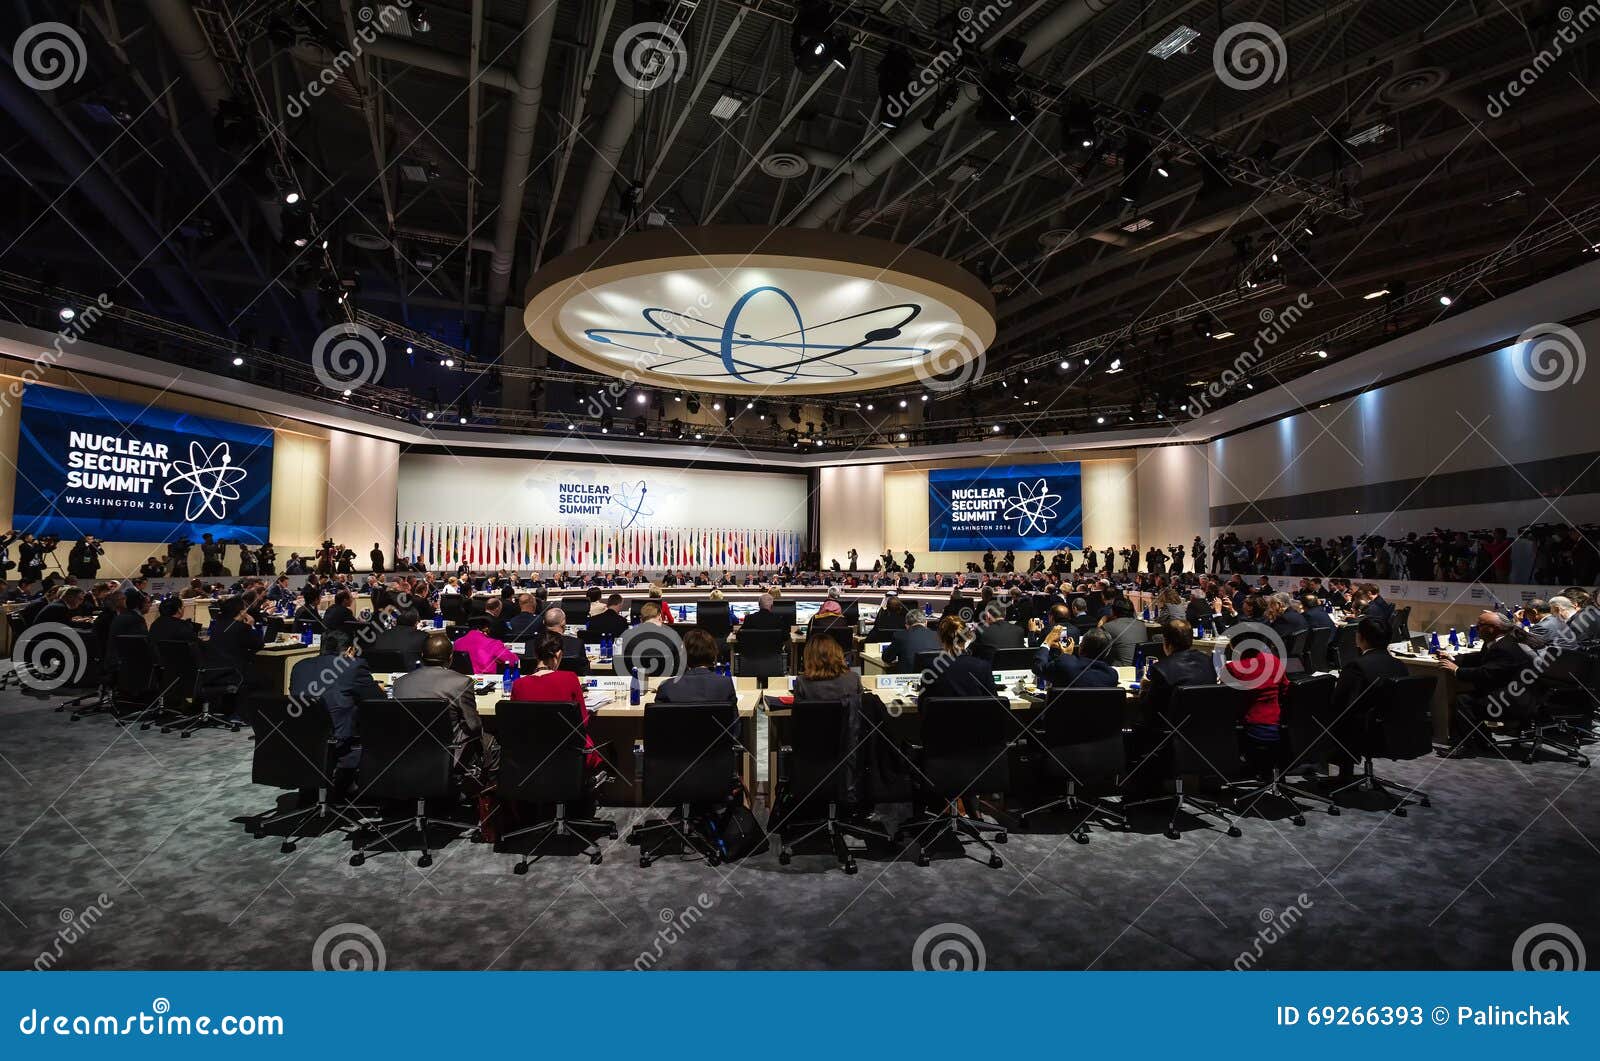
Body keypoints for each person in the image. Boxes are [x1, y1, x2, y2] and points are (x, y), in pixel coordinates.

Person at [1438, 611, 1544, 756]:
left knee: (1464, 701)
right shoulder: (1499, 641)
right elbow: (1481, 658)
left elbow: (1486, 673)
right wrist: (1453, 657)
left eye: (1480, 625)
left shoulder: (1505, 648)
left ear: (1492, 628)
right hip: (1510, 693)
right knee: (1469, 698)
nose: (1476, 627)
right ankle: (1483, 740)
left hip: (1514, 701)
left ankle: (1464, 747)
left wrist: (1457, 671)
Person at [393, 631, 495, 775]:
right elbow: (475, 726)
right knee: (492, 740)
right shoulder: (462, 682)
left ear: (422, 655)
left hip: (407, 753)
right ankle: (484, 790)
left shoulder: (399, 683)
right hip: (448, 754)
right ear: (451, 657)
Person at [1326, 616, 1410, 778]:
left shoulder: (1356, 666)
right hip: (1396, 729)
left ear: (1360, 638)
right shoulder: (1400, 665)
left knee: (1330, 716)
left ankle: (1343, 774)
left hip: (1367, 732)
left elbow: (1340, 703)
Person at [289, 629, 381, 773]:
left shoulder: (299, 666)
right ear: (350, 650)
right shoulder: (354, 666)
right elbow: (378, 700)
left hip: (300, 737)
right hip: (339, 741)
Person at [509, 632, 599, 767]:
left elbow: (515, 725)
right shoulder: (570, 678)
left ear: (535, 653)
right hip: (568, 757)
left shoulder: (518, 684)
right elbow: (583, 722)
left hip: (529, 759)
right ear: (558, 654)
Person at [1137, 618, 1217, 722]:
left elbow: (1150, 711)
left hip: (1169, 732)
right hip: (1206, 728)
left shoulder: (1161, 669)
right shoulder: (1209, 662)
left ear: (1166, 642)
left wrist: (1143, 691)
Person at [917, 615, 996, 703]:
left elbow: (922, 705)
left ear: (940, 638)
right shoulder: (983, 667)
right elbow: (994, 704)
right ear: (967, 638)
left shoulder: (931, 668)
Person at [654, 627, 738, 708]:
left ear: (683, 656)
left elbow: (658, 720)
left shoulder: (667, 687)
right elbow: (734, 720)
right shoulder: (725, 685)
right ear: (713, 655)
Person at [1033, 626, 1119, 688]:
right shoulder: (1112, 675)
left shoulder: (1065, 665)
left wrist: (1047, 642)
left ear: (1081, 647)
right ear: (1107, 653)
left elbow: (1038, 668)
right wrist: (1066, 656)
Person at [453, 616, 519, 673]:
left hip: (462, 680)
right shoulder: (493, 643)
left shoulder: (457, 642)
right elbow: (513, 660)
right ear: (486, 628)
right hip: (486, 681)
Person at [882, 609, 941, 674]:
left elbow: (887, 658)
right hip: (932, 678)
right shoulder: (938, 636)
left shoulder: (900, 636)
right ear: (926, 623)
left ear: (906, 625)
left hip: (907, 680)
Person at [540, 606, 587, 676]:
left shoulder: (532, 643)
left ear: (543, 622)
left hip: (539, 684)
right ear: (563, 624)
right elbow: (586, 670)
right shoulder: (577, 643)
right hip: (571, 684)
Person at [1099, 597, 1145, 667]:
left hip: (1120, 669)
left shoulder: (1108, 627)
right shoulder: (1142, 625)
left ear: (1113, 611)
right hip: (1140, 666)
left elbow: (1095, 643)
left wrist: (1102, 621)